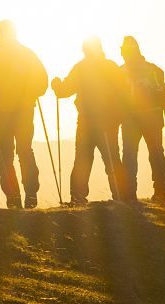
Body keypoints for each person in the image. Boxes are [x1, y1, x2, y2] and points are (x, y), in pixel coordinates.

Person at [50, 36, 129, 206]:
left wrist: (56, 85)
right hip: (108, 121)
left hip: (87, 120)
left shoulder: (81, 68)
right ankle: (121, 195)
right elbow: (124, 93)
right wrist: (119, 116)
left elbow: (64, 91)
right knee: (112, 158)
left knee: (83, 159)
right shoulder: (111, 67)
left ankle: (77, 197)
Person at [0, 19, 47, 208]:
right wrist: (29, 93)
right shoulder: (26, 54)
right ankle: (28, 196)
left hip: (3, 114)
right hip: (21, 111)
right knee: (23, 152)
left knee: (7, 157)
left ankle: (15, 198)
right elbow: (42, 81)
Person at [119, 35, 165, 202]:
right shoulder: (153, 70)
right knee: (154, 153)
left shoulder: (120, 72)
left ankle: (131, 194)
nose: (123, 55)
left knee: (132, 155)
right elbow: (162, 93)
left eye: (124, 51)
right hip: (150, 117)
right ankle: (158, 191)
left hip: (134, 118)